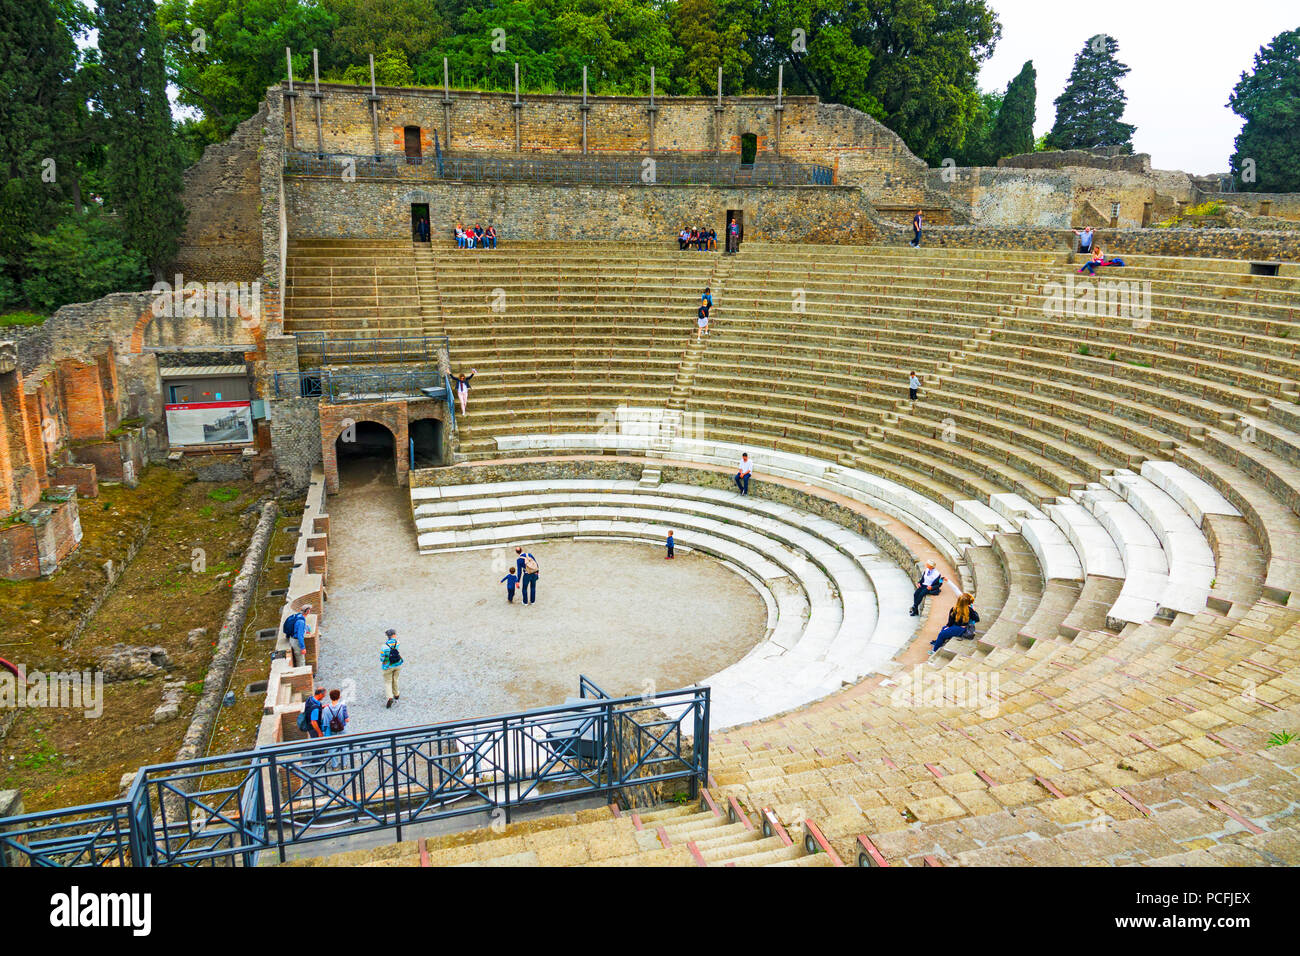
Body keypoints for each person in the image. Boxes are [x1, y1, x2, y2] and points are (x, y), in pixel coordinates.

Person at [321, 688, 350, 767]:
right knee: (344, 746)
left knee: (332, 747)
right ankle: (344, 764)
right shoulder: (343, 707)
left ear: (330, 698)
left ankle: (335, 766)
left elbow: (325, 723)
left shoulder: (326, 709)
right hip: (342, 729)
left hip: (332, 730)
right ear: (339, 697)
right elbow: (347, 720)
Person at [381, 629, 403, 709]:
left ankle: (390, 697)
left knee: (388, 682)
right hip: (397, 664)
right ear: (393, 635)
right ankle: (396, 694)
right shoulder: (397, 643)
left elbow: (382, 658)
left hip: (388, 666)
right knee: (395, 679)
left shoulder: (384, 646)